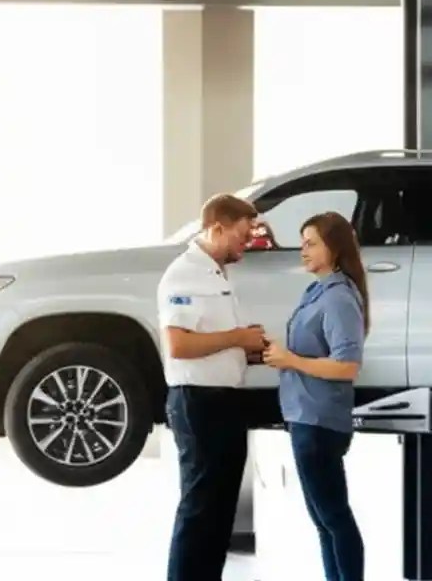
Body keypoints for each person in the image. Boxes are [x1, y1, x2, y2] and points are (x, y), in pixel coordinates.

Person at [159, 193, 268, 581]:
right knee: (200, 509)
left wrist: (247, 350)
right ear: (217, 228)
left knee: (220, 513)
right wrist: (238, 337)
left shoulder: (216, 274)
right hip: (199, 402)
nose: (249, 241)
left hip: (224, 401)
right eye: (243, 233)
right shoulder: (184, 274)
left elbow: (210, 340)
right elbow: (179, 345)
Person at [262, 211, 368, 581]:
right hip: (304, 416)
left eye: (311, 244)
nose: (303, 250)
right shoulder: (316, 292)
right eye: (302, 243)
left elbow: (347, 365)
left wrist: (290, 360)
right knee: (325, 521)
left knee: (334, 517)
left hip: (319, 421)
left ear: (334, 248)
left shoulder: (338, 298)